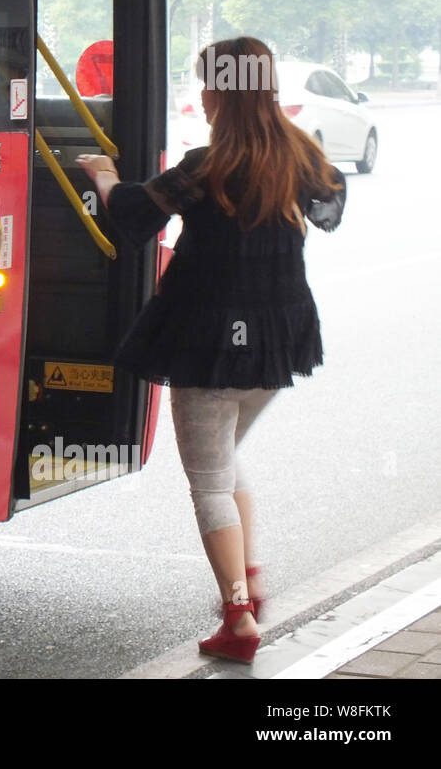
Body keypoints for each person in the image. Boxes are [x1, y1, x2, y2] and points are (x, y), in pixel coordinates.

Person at [76, 36, 346, 665]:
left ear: (220, 94)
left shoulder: (206, 165)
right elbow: (331, 208)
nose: (200, 94)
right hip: (279, 338)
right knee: (223, 462)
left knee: (208, 485)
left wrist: (102, 173)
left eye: (205, 83)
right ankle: (249, 579)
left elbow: (136, 216)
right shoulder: (301, 155)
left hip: (207, 339)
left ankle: (238, 618)